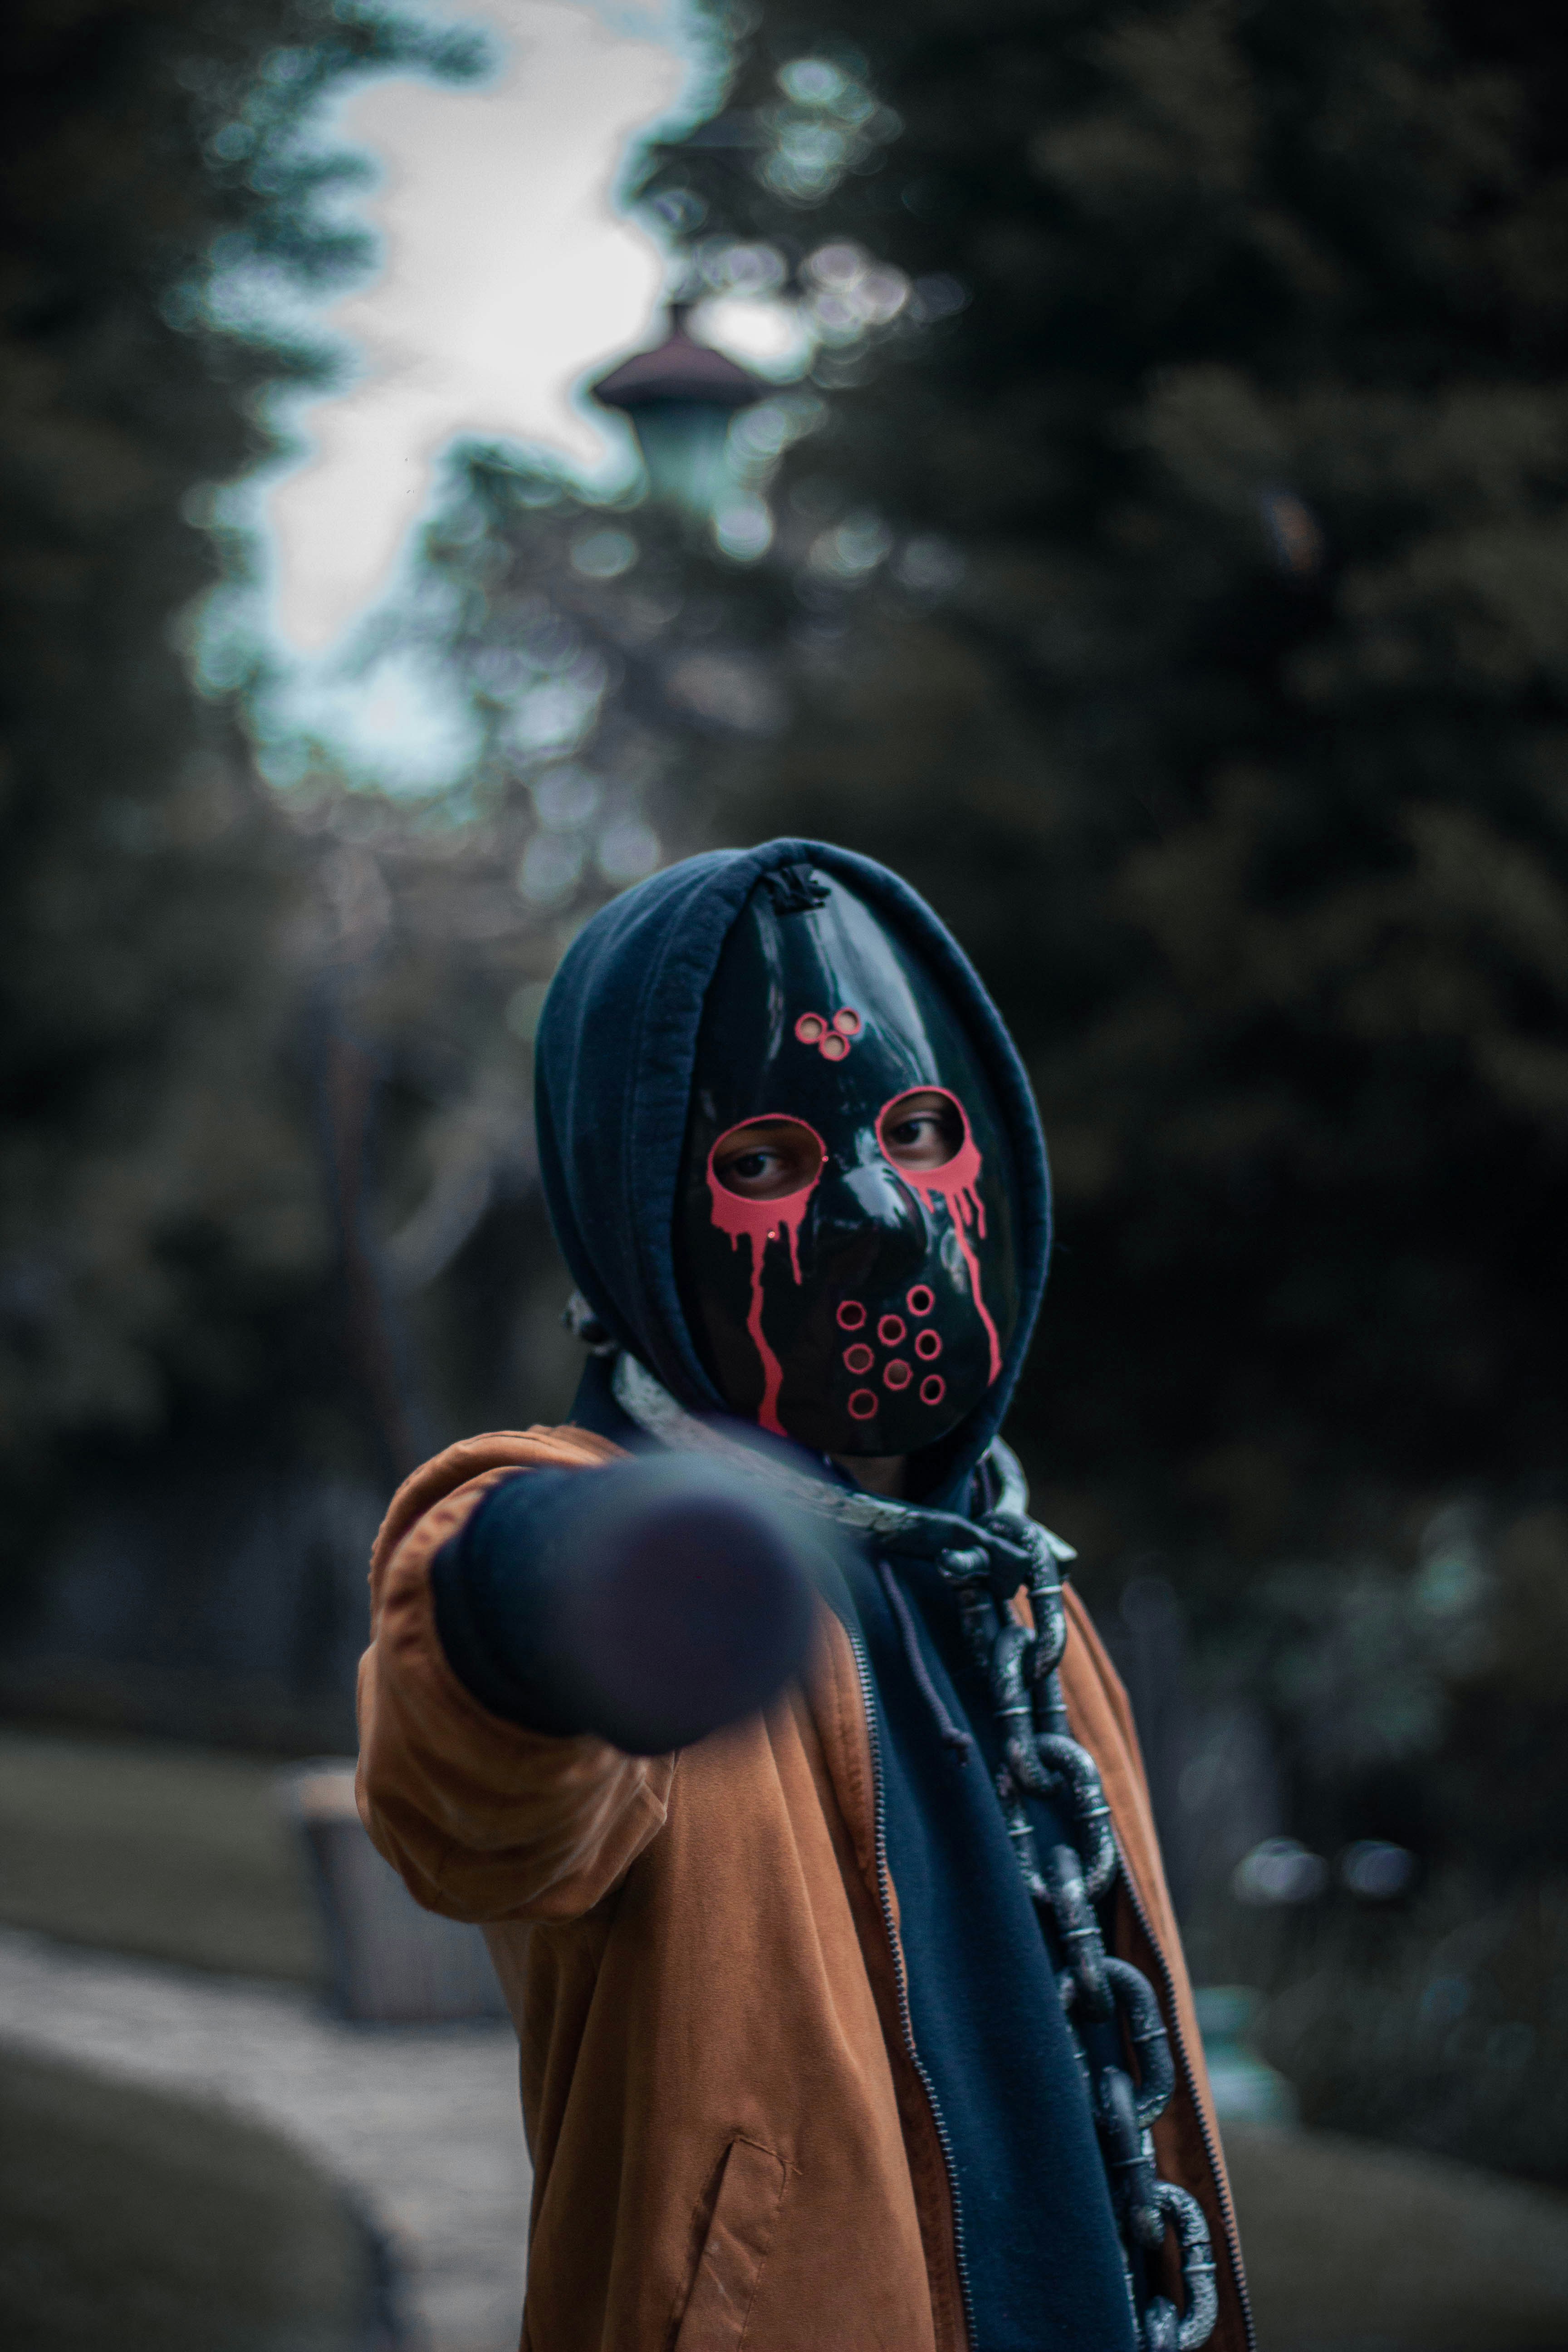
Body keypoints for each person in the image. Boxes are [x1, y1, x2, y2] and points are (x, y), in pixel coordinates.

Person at [357, 841, 1250, 2352]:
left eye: (916, 1131)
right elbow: (471, 1785)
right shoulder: (567, 1505)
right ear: (633, 1210)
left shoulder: (1025, 1592)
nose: (881, 1218)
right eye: (762, 1162)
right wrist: (574, 1591)